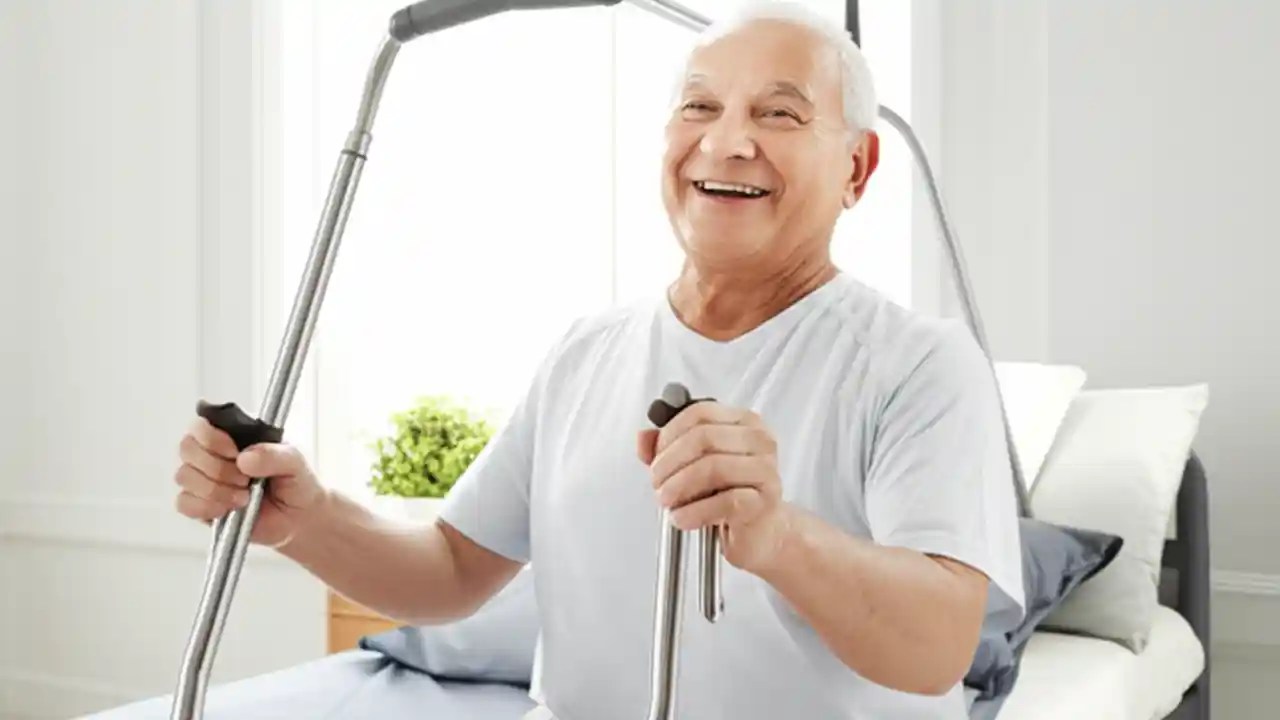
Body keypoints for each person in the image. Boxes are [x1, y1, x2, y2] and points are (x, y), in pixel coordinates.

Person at [173, 2, 1024, 718]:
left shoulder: (921, 366)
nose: (726, 143)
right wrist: (305, 519)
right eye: (698, 107)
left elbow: (939, 649)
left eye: (780, 113)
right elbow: (455, 571)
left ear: (857, 166)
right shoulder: (587, 352)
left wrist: (776, 536)